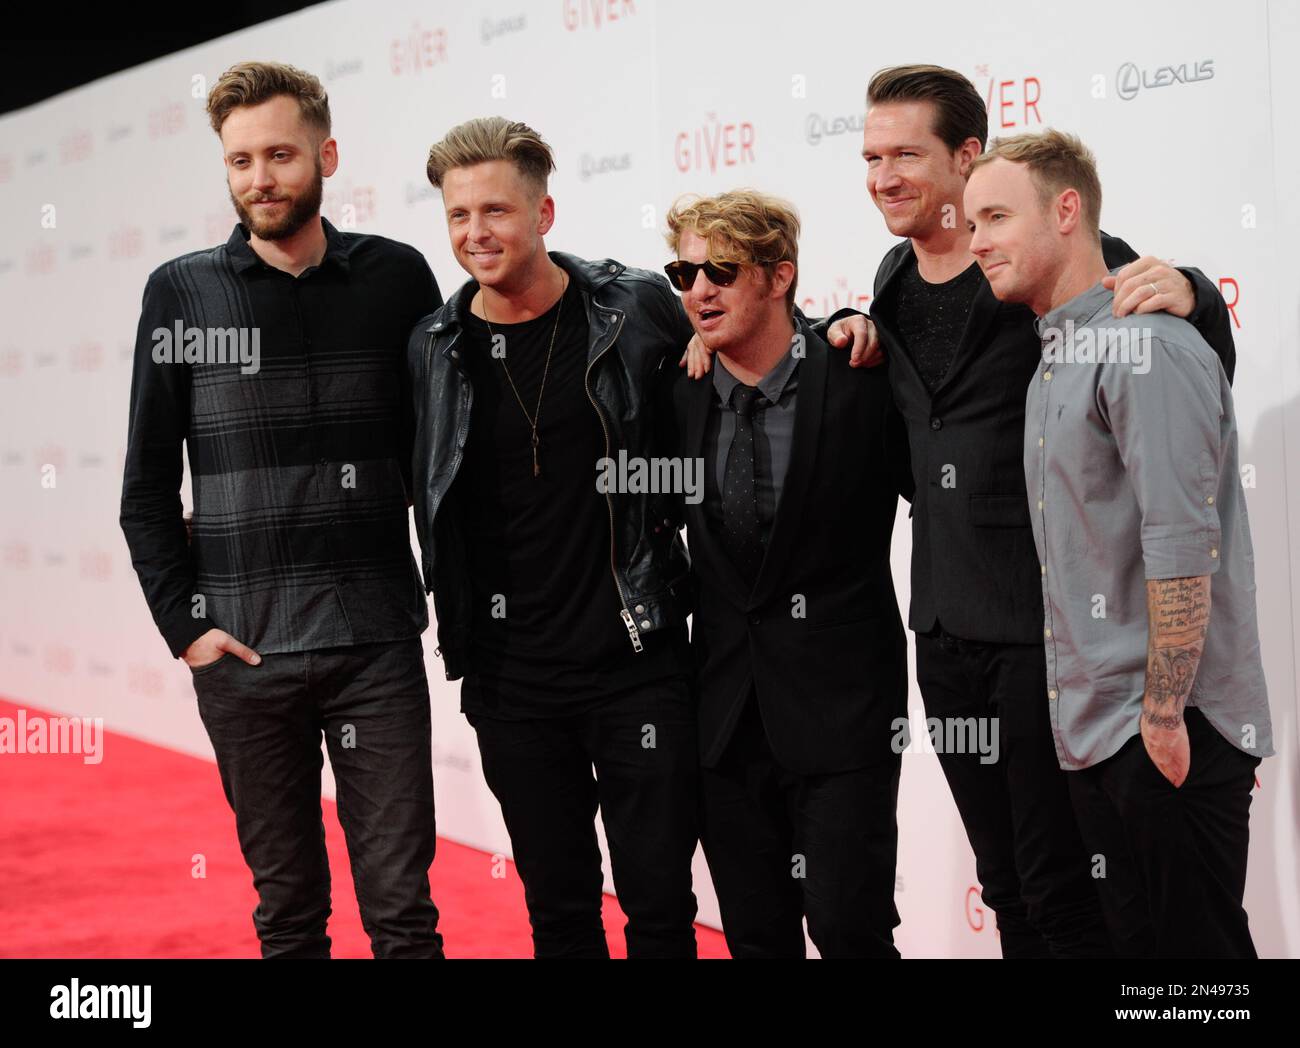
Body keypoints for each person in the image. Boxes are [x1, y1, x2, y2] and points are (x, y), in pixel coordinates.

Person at [120, 61, 444, 959]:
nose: (259, 178)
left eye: (280, 155)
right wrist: (185, 627)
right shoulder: (181, 293)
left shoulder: (397, 279)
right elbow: (146, 484)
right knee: (290, 916)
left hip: (374, 647)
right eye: (240, 161)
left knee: (404, 917)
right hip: (244, 655)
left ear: (326, 157)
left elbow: (438, 461)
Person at [965, 129, 1273, 957]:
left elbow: (1182, 542)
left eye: (996, 217)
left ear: (1066, 210)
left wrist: (1164, 714)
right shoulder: (1056, 354)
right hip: (1102, 728)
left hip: (1167, 728)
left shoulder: (1146, 343)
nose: (977, 241)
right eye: (972, 222)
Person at [409, 117, 701, 958]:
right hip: (512, 681)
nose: (475, 232)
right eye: (459, 214)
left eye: (496, 210)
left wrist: (843, 323)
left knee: (660, 910)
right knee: (561, 914)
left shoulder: (634, 305)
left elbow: (747, 337)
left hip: (637, 661)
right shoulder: (433, 347)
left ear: (544, 213)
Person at [662, 190, 911, 957]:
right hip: (726, 718)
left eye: (722, 271)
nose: (699, 290)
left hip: (845, 714)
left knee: (849, 930)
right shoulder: (679, 389)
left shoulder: (861, 374)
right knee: (755, 937)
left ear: (779, 277)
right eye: (685, 273)